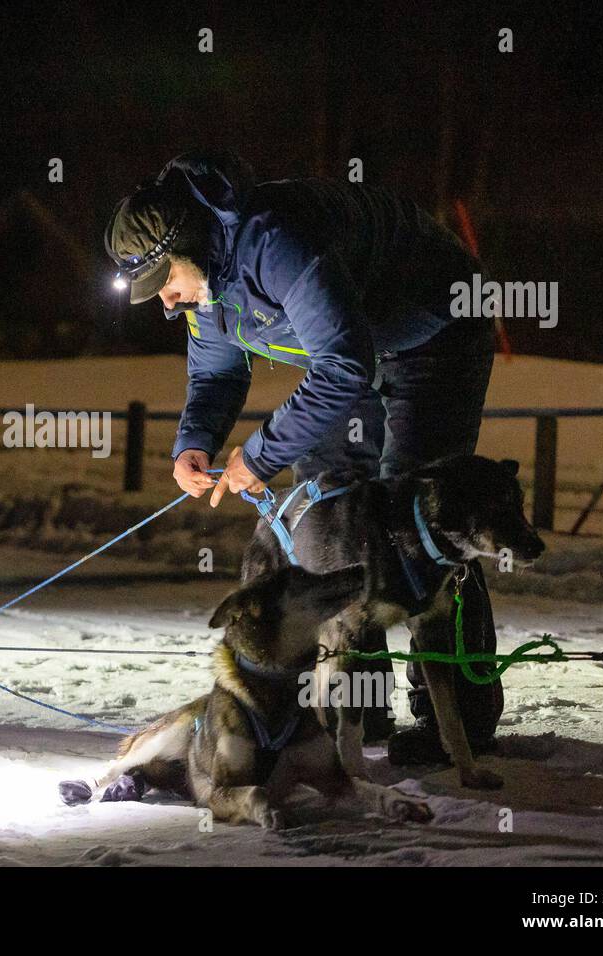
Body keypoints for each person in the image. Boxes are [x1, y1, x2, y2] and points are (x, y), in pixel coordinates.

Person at [105, 150, 502, 763]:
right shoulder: (207, 284)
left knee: (420, 517)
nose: (164, 302)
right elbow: (215, 374)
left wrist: (260, 456)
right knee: (331, 517)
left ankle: (460, 718)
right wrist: (195, 443)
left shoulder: (276, 243)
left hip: (433, 329)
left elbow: (345, 365)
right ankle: (356, 706)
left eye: (164, 284)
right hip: (352, 353)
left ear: (188, 248)